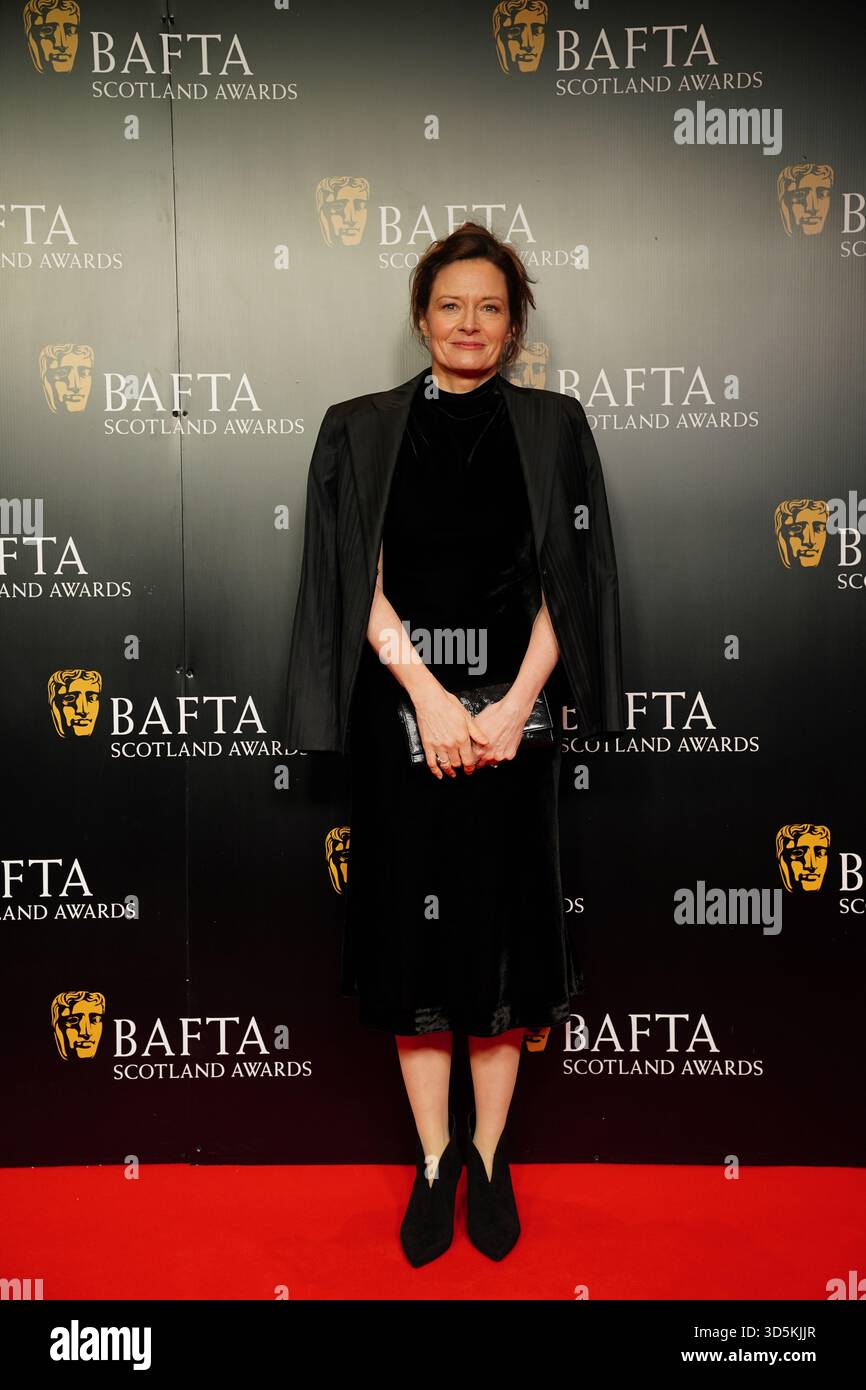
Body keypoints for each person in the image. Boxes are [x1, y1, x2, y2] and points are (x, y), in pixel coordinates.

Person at [283, 221, 626, 1267]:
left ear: (512, 324)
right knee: (412, 947)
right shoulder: (358, 428)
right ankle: (433, 1159)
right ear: (419, 317)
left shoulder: (554, 425)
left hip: (510, 725)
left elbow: (569, 581)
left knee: (504, 946)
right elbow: (355, 582)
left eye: (488, 306)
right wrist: (429, 699)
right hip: (403, 720)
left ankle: (488, 1155)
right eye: (448, 305)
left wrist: (515, 703)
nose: (467, 323)